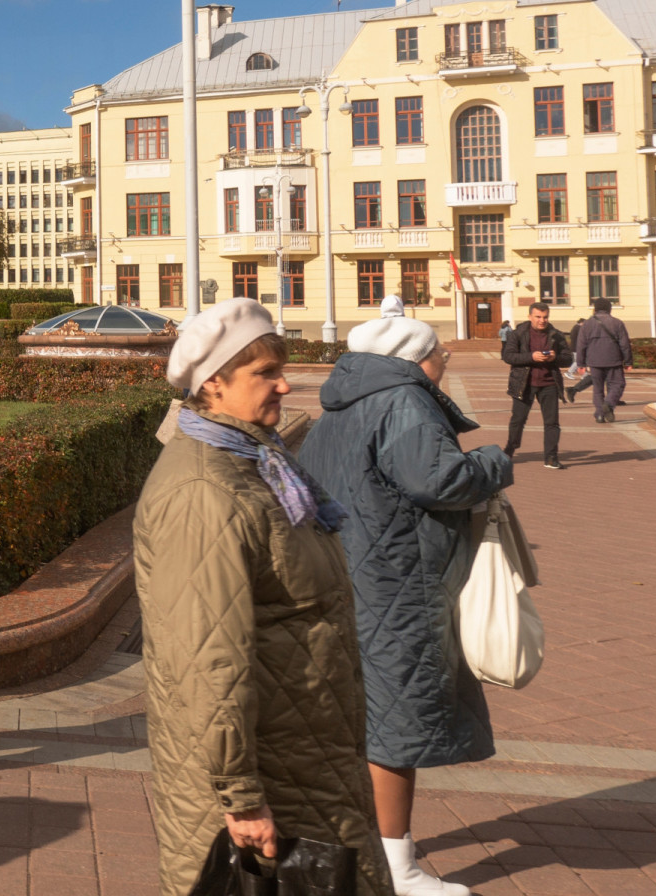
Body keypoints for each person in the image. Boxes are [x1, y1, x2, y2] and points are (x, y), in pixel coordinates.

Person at [137, 298, 392, 896]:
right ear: (214, 385)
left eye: (281, 367)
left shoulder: (255, 459)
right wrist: (242, 797)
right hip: (268, 775)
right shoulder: (205, 490)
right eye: (263, 373)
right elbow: (207, 660)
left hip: (300, 751)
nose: (285, 382)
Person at [306, 316, 512, 895]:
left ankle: (368, 849)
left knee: (365, 720)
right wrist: (494, 462)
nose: (445, 358)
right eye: (439, 351)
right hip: (400, 582)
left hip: (349, 575)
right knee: (396, 728)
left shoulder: (344, 401)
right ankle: (396, 870)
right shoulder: (404, 401)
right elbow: (439, 482)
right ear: (415, 358)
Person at [500, 302, 572, 469]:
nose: (542, 320)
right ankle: (510, 450)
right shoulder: (518, 333)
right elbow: (508, 356)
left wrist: (555, 357)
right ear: (530, 317)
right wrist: (531, 357)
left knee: (552, 422)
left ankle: (551, 457)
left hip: (549, 384)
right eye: (538, 317)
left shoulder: (556, 335)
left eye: (545, 317)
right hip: (524, 383)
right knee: (518, 420)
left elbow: (568, 358)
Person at [572, 297, 632, 423]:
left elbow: (581, 345)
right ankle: (608, 404)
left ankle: (599, 414)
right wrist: (628, 361)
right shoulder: (617, 323)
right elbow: (625, 344)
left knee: (598, 389)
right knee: (617, 384)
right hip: (613, 360)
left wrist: (581, 363)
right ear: (609, 309)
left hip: (594, 361)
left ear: (595, 309)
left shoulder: (587, 324)